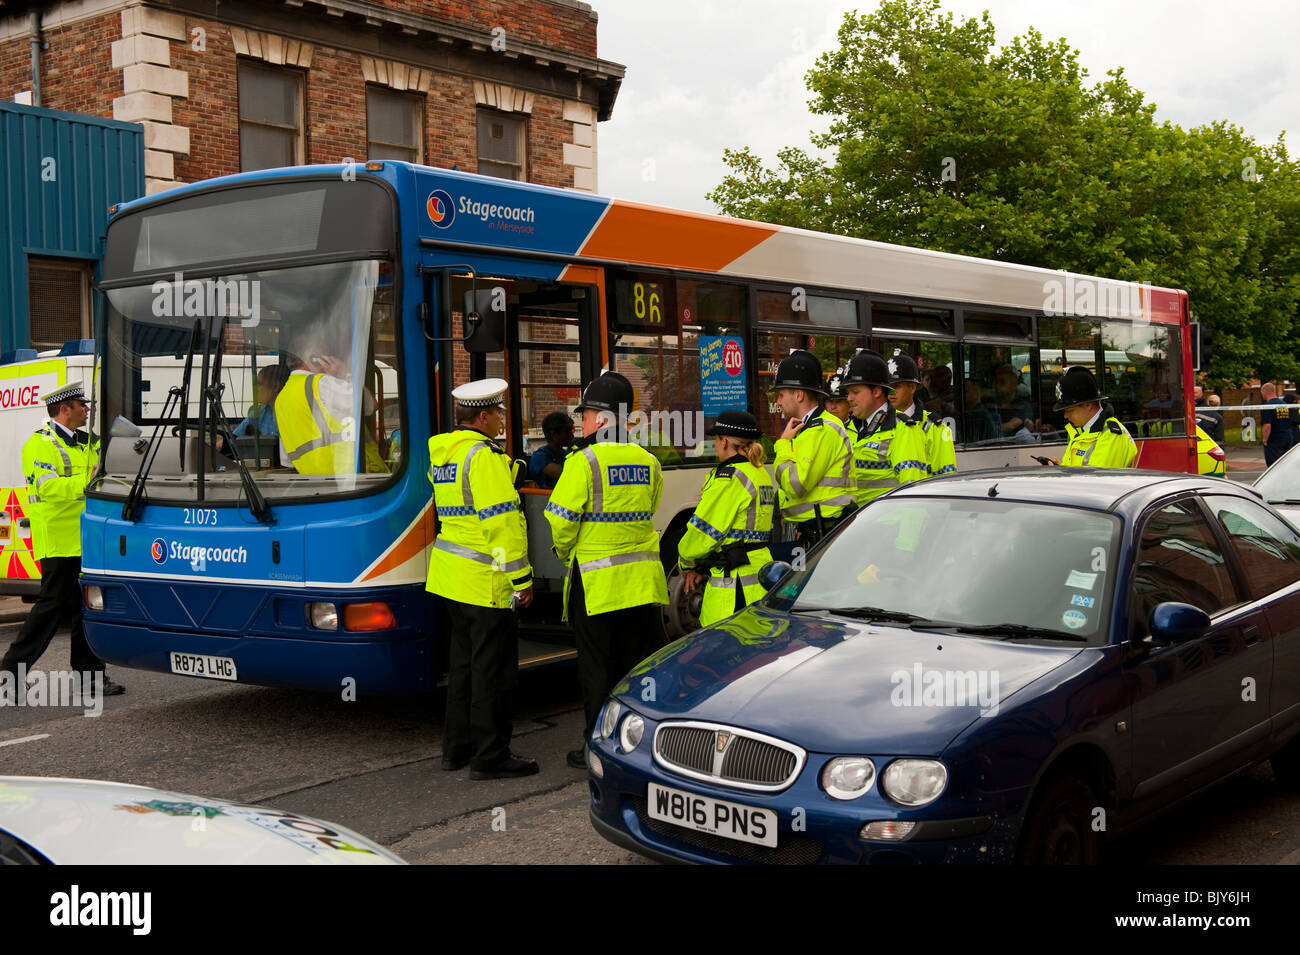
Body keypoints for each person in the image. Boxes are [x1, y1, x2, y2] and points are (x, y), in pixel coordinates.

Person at [544, 371, 668, 770]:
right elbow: (649, 510)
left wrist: (567, 553)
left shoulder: (584, 461)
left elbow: (560, 521)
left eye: (585, 414)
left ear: (601, 417)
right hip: (642, 584)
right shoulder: (648, 460)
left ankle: (595, 747)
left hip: (596, 584)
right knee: (634, 668)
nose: (581, 422)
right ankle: (633, 748)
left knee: (596, 670)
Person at [426, 378, 537, 780]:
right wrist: (522, 580)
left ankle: (456, 749)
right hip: (485, 581)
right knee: (493, 673)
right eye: (500, 414)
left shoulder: (445, 454)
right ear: (485, 416)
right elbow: (502, 524)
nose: (502, 421)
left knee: (463, 669)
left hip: (451, 578)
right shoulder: (484, 458)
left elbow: (463, 508)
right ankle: (490, 756)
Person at [1, 382, 124, 700]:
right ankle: (9, 675)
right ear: (64, 409)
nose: (87, 409)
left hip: (87, 539)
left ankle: (91, 679)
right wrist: (91, 480)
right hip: (57, 541)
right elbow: (49, 488)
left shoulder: (89, 443)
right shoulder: (39, 445)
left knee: (86, 609)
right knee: (50, 610)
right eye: (81, 405)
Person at [677, 410, 775, 628]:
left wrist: (686, 564)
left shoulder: (730, 478)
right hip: (758, 578)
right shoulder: (758, 472)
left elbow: (702, 533)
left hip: (733, 587)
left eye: (716, 438)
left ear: (723, 441)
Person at [770, 349, 855, 546]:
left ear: (799, 395)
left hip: (828, 532)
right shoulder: (805, 429)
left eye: (781, 395)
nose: (778, 402)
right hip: (815, 531)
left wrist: (783, 446)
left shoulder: (822, 429)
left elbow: (795, 485)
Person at [275, 350, 387, 475]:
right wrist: (344, 374)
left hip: (317, 486)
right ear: (314, 358)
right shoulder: (322, 383)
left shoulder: (281, 399)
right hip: (354, 478)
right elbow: (370, 405)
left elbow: (287, 460)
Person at [842, 350, 928, 505]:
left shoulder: (904, 430)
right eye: (848, 393)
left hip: (887, 527)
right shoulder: (846, 429)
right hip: (853, 526)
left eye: (855, 392)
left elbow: (914, 498)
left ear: (876, 391)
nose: (849, 398)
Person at [1050, 366, 1137, 468]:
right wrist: (1059, 470)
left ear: (1088, 405)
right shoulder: (1081, 432)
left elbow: (1096, 481)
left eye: (1070, 410)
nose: (1065, 416)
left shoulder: (1112, 435)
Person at [889, 351, 956, 477]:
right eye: (887, 387)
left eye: (896, 386)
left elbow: (946, 479)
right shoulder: (876, 423)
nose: (890, 392)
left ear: (912, 388)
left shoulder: (936, 428)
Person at [233, 365, 289, 437]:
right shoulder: (259, 411)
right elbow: (234, 438)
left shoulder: (290, 413)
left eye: (259, 384)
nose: (254, 389)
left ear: (275, 386)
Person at [528, 411, 575, 488]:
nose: (572, 435)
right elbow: (564, 474)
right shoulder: (539, 456)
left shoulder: (568, 453)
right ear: (554, 434)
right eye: (567, 432)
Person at [993, 364, 1036, 440]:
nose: (997, 386)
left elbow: (1011, 426)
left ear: (1013, 385)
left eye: (1002, 382)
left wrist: (988, 429)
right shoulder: (993, 405)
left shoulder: (1023, 406)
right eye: (996, 382)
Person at [1261, 382, 1296, 466]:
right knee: (1285, 464)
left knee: (1273, 466)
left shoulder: (1268, 406)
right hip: (1287, 438)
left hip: (1274, 440)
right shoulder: (1284, 404)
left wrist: (1265, 440)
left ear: (1265, 392)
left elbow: (1267, 425)